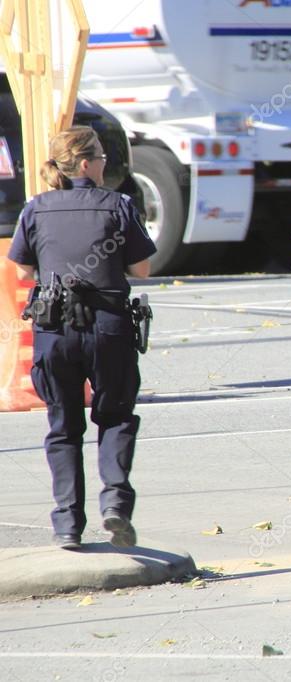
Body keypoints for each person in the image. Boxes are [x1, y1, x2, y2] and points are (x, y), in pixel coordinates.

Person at [6, 126, 156, 549]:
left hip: (55, 328)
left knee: (63, 426)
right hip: (109, 326)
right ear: (87, 164)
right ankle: (115, 505)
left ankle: (68, 525)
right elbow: (142, 270)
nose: (107, 165)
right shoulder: (117, 205)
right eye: (104, 159)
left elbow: (21, 271)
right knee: (116, 417)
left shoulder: (36, 208)